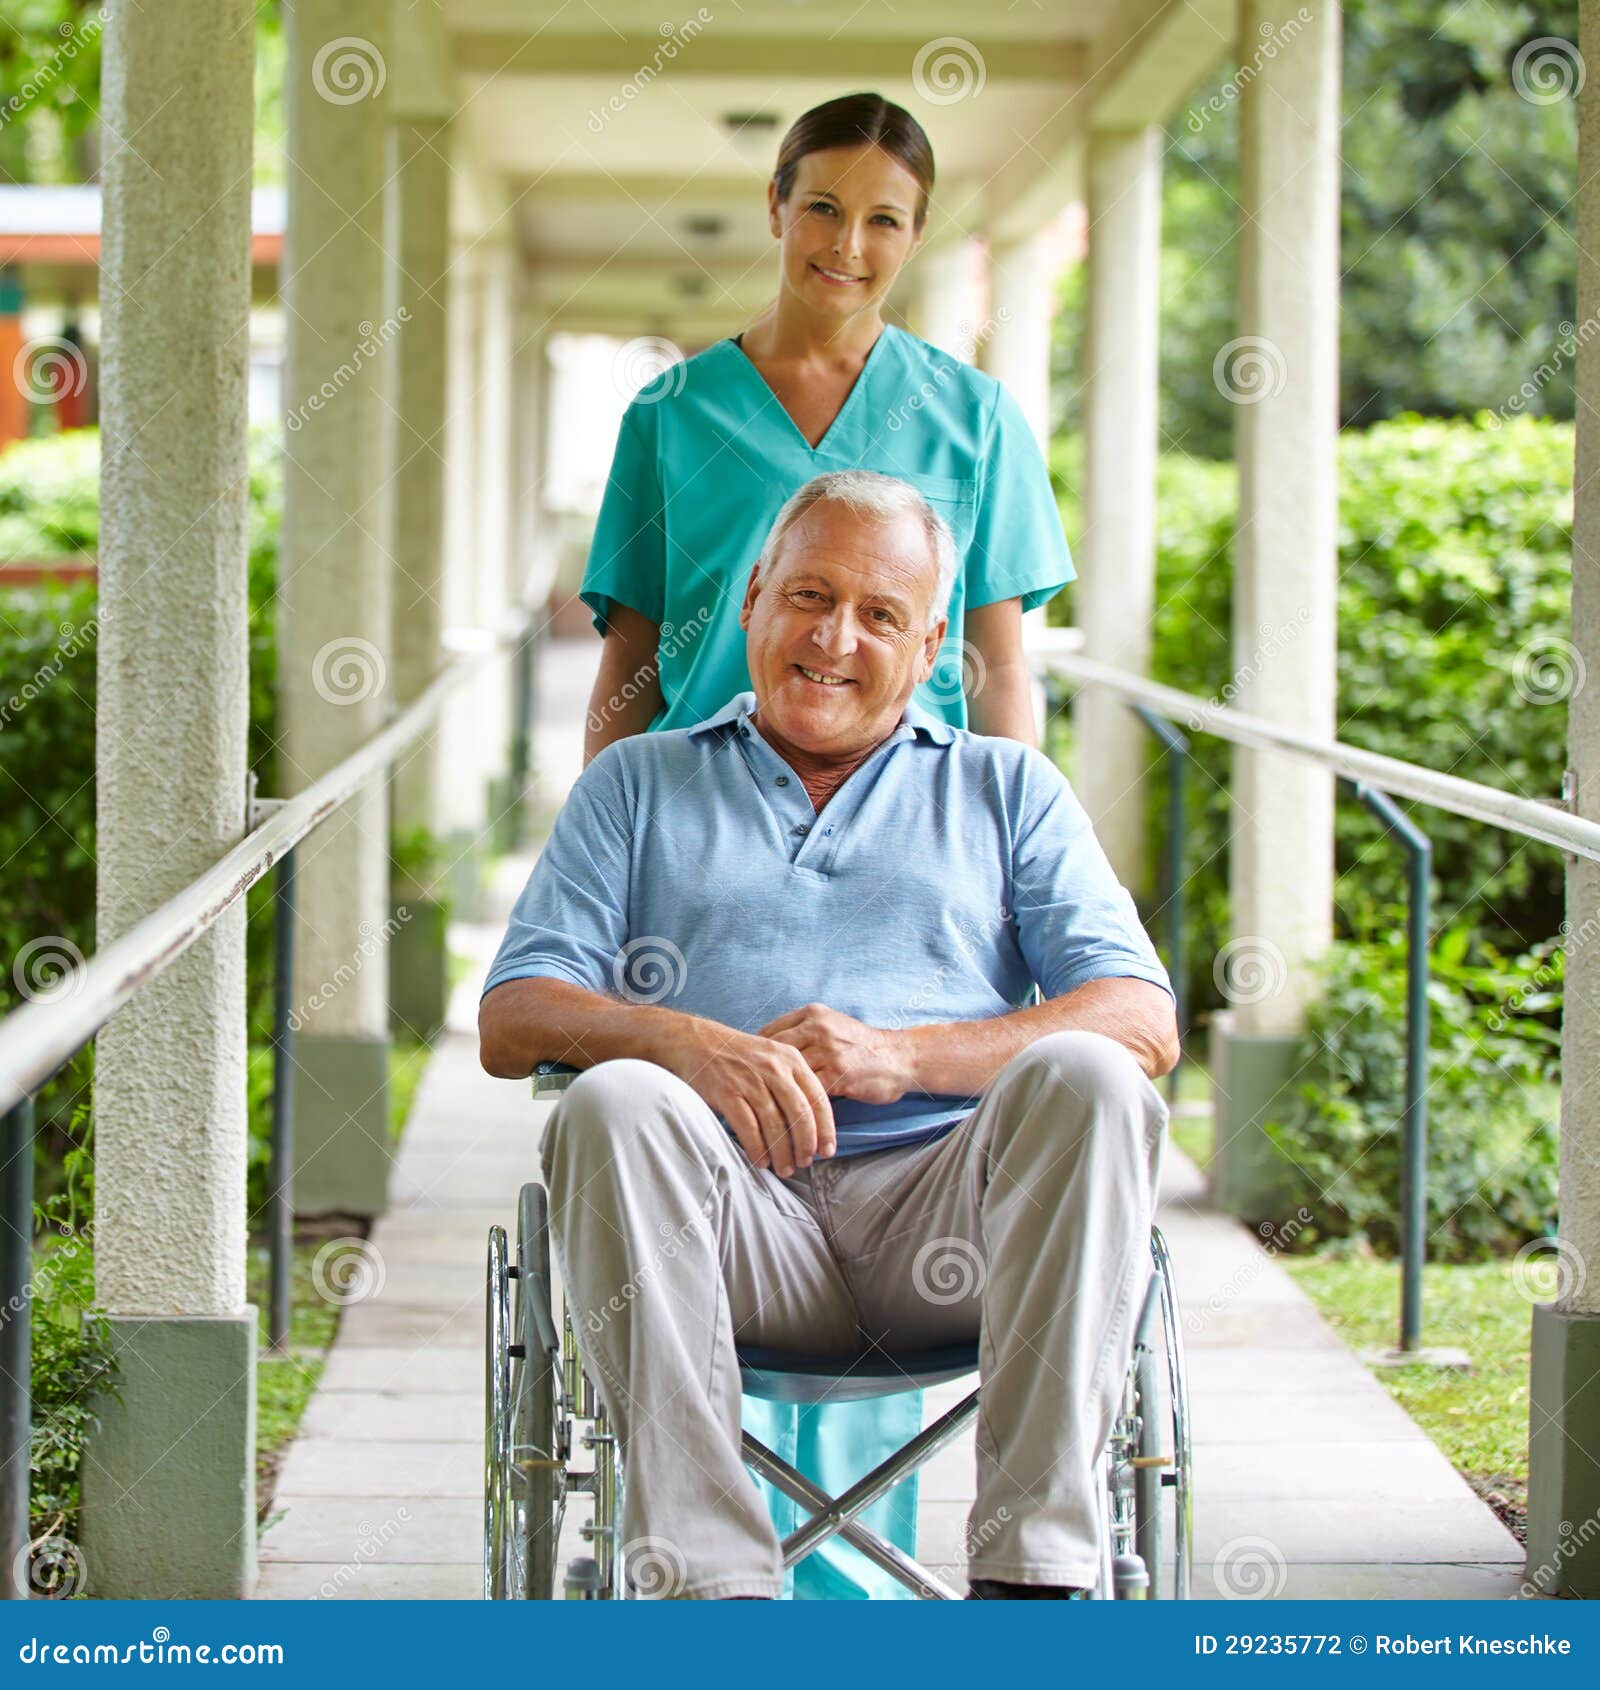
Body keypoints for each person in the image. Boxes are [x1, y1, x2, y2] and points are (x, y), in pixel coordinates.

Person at [482, 473, 1175, 1598]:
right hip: (729, 1227)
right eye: (809, 595)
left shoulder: (1009, 790)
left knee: (1093, 1077)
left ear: (932, 645)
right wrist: (682, 1043)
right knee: (613, 1097)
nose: (834, 638)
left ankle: (1033, 1584)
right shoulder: (635, 783)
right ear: (754, 597)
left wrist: (905, 1056)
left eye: (880, 614)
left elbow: (1140, 1017)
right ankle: (710, 1592)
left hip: (956, 1231)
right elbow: (514, 1014)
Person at [577, 90, 1075, 1598]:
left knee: (887, 1133)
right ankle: (734, 1569)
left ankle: (864, 1577)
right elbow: (633, 659)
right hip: (711, 837)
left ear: (914, 238)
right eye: (823, 207)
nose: (848, 243)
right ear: (777, 209)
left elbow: (1000, 668)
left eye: (885, 220)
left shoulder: (973, 415)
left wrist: (1013, 857)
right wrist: (606, 843)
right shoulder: (673, 415)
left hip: (912, 832)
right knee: (711, 1149)